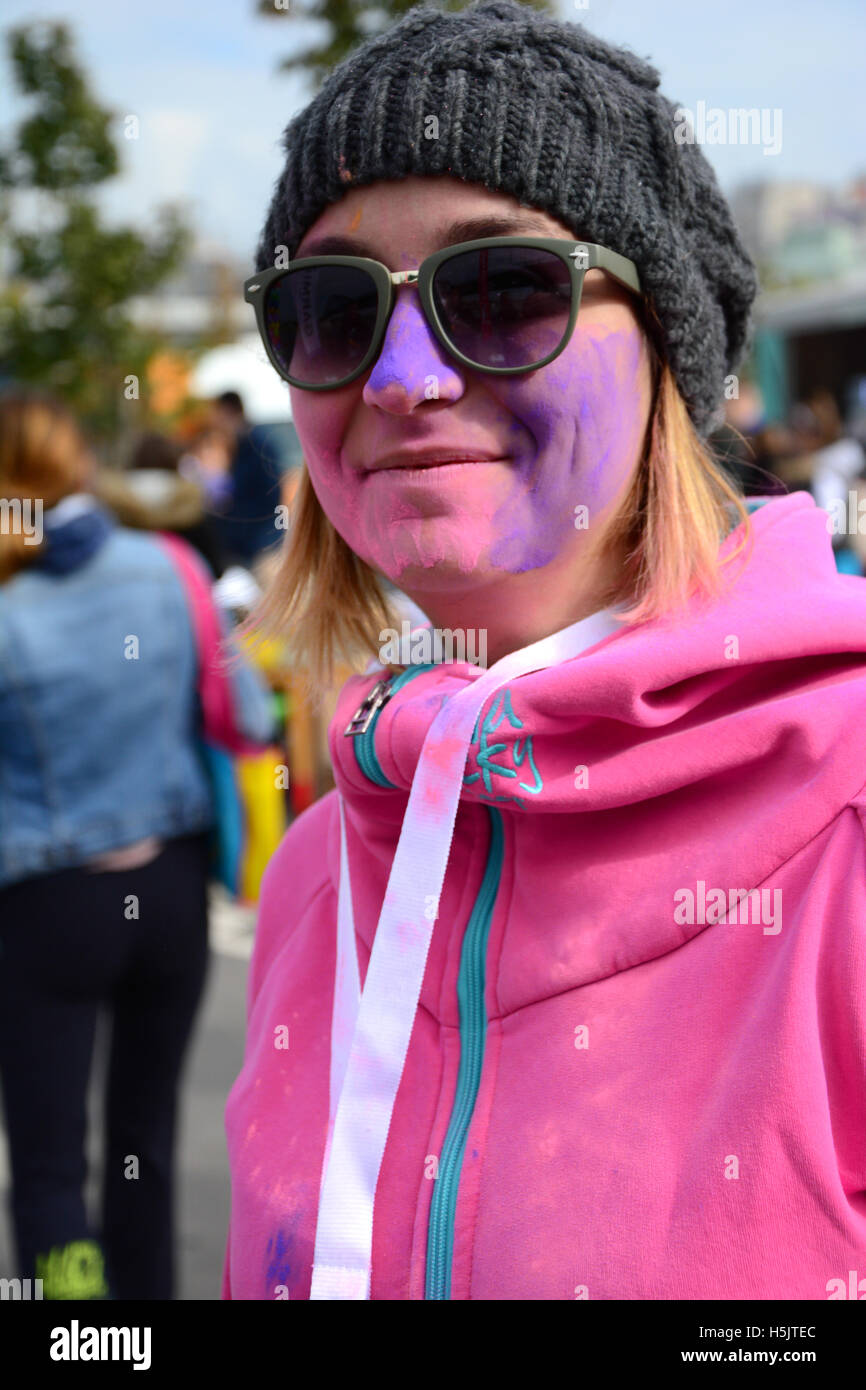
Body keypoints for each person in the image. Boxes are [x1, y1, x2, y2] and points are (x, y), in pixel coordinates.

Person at [222, 0, 866, 1300]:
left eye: (503, 287)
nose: (402, 379)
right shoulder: (316, 871)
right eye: (332, 309)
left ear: (671, 355)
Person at [0, 388, 276, 1299]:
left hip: (41, 898)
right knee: (142, 1142)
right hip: (166, 889)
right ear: (77, 463)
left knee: (46, 1164)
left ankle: (76, 1331)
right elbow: (245, 717)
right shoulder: (170, 567)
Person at [209, 391, 290, 568]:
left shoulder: (256, 444)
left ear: (229, 411)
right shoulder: (240, 444)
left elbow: (270, 494)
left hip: (257, 540)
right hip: (248, 539)